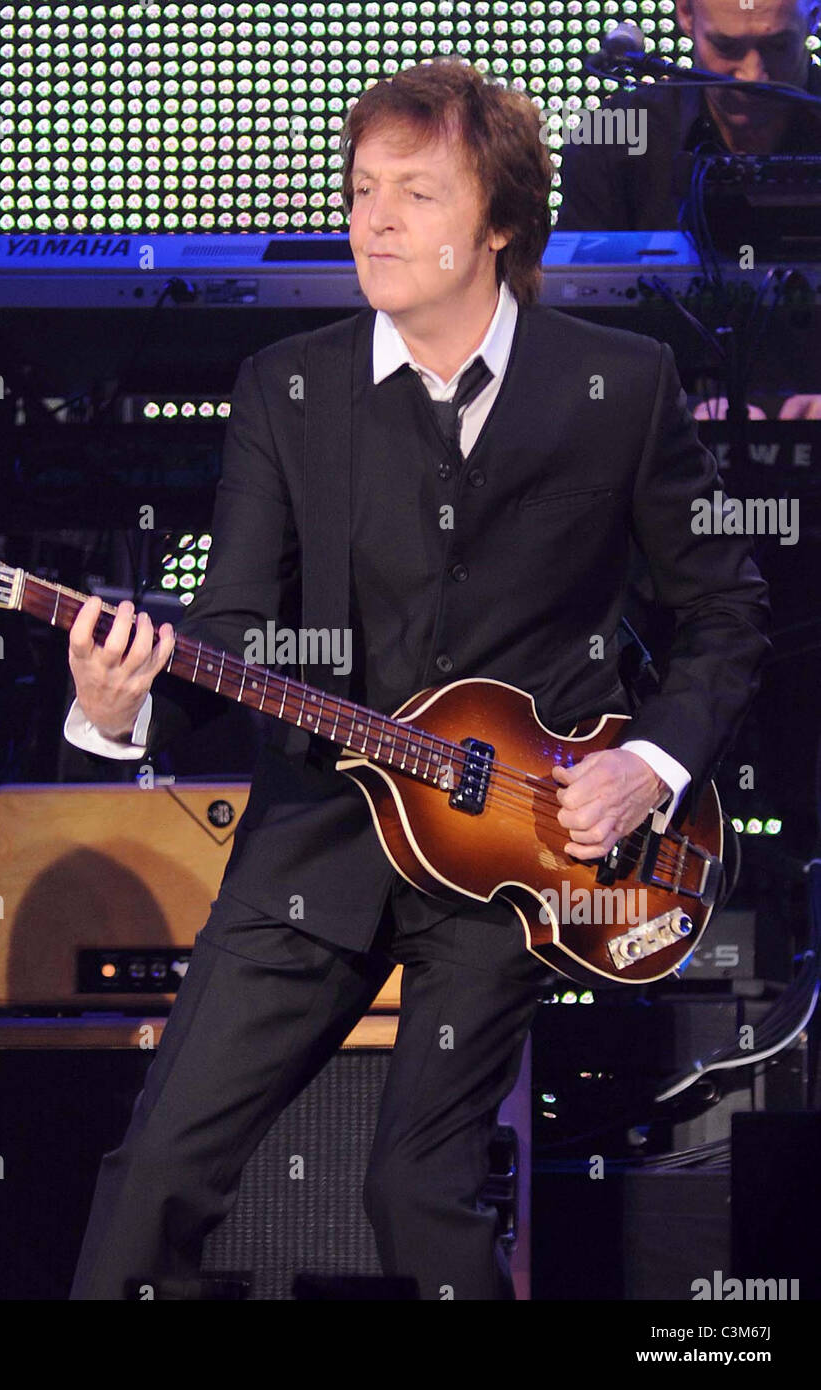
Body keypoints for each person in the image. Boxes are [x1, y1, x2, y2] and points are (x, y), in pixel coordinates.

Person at [63, 57, 770, 1301]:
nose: (373, 220)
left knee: (418, 1191)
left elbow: (725, 606)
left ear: (496, 223)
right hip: (317, 841)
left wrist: (646, 766)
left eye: (416, 193)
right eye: (359, 190)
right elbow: (231, 624)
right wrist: (117, 711)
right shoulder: (288, 389)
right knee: (154, 1171)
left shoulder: (617, 389)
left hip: (513, 856)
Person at [556, 0, 821, 234]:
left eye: (777, 46)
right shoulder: (611, 137)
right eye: (726, 46)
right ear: (686, 14)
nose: (751, 75)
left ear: (815, 17)